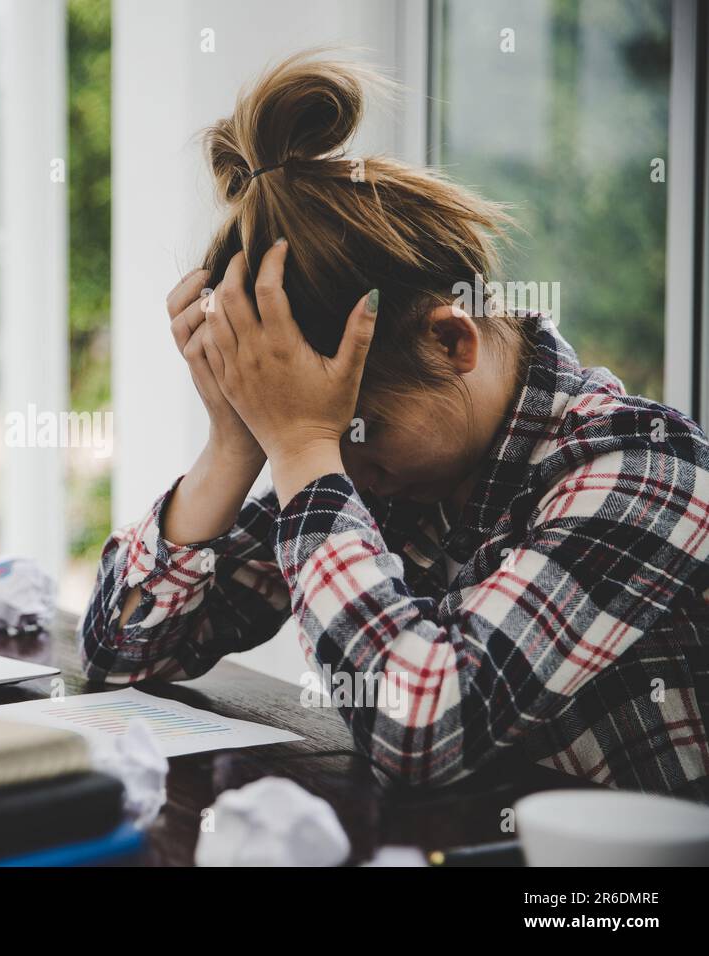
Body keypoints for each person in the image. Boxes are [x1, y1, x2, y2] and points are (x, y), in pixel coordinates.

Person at [81, 52, 709, 800]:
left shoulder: (645, 466)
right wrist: (235, 441)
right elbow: (124, 654)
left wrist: (308, 446)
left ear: (452, 342)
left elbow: (422, 729)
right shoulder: (374, 469)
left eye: (357, 430)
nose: (343, 466)